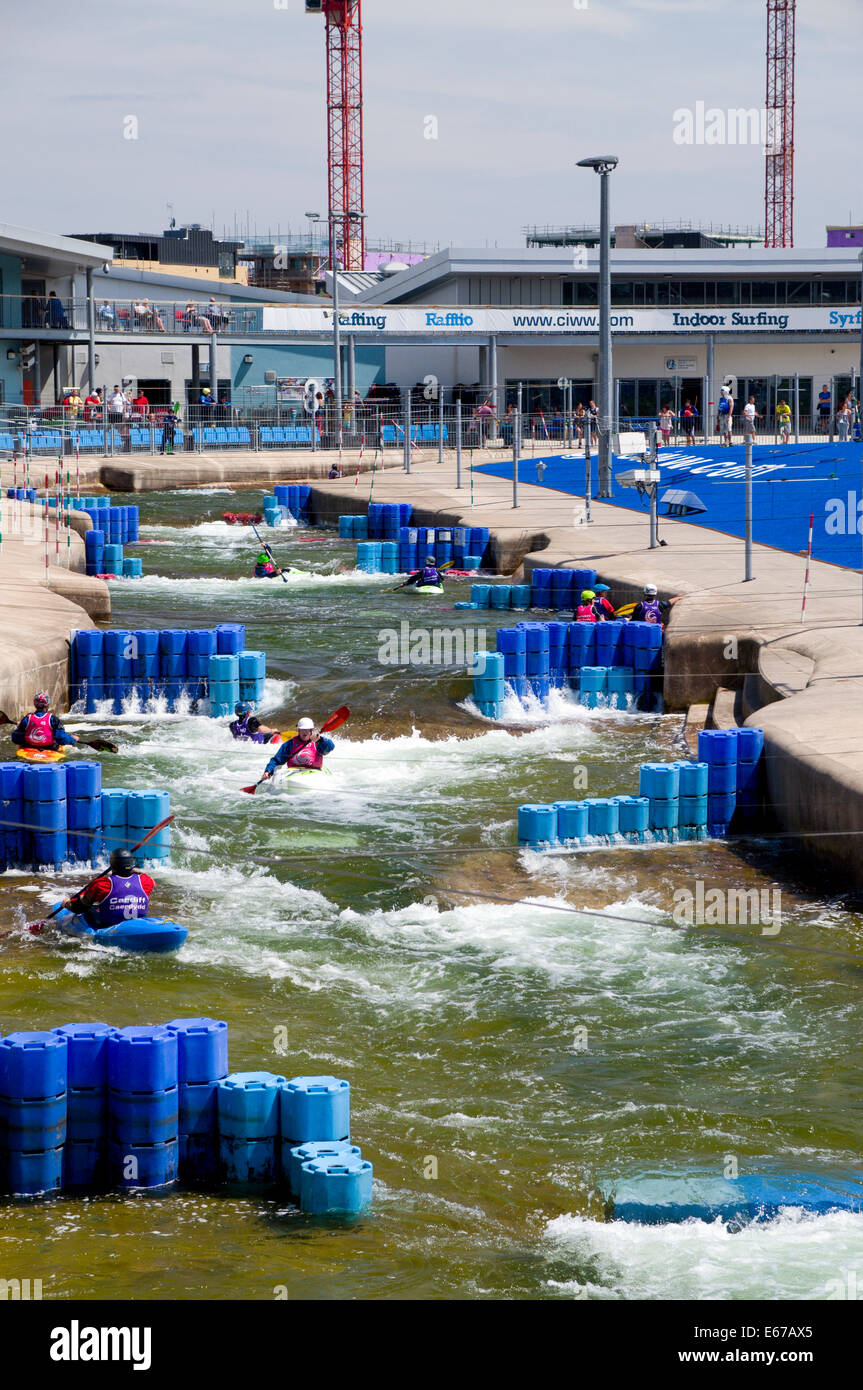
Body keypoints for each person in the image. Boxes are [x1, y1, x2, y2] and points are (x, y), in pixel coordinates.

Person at [61, 849, 154, 929]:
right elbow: (151, 881)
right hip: (138, 923)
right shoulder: (145, 881)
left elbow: (81, 907)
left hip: (109, 925)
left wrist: (68, 904)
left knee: (90, 909)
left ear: (112, 866)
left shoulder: (102, 884)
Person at [259, 717, 334, 782]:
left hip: (314, 772)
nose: (304, 732)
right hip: (293, 772)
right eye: (302, 729)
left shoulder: (318, 742)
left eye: (307, 730)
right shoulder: (290, 744)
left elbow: (331, 747)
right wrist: (268, 771)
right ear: (299, 730)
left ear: (312, 730)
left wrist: (320, 740)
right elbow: (277, 760)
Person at [10, 692, 79, 752]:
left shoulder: (27, 719)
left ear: (35, 704)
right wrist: (72, 739)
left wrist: (19, 728)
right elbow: (61, 738)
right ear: (47, 705)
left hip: (29, 748)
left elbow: (15, 739)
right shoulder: (53, 719)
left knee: (20, 742)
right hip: (50, 749)